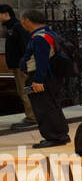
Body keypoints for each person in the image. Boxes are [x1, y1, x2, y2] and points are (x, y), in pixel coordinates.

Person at [20, 10, 69, 148]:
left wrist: (38, 80)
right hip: (49, 77)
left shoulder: (40, 37)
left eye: (23, 20)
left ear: (28, 20)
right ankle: (60, 135)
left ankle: (54, 137)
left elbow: (42, 61)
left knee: (43, 108)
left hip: (41, 77)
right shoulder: (48, 33)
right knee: (52, 106)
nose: (22, 23)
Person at [1, 4, 37, 132]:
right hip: (18, 65)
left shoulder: (17, 27)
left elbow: (24, 45)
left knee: (25, 91)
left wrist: (24, 64)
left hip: (22, 65)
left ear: (5, 14)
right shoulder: (11, 26)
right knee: (23, 91)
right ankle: (31, 116)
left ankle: (32, 117)